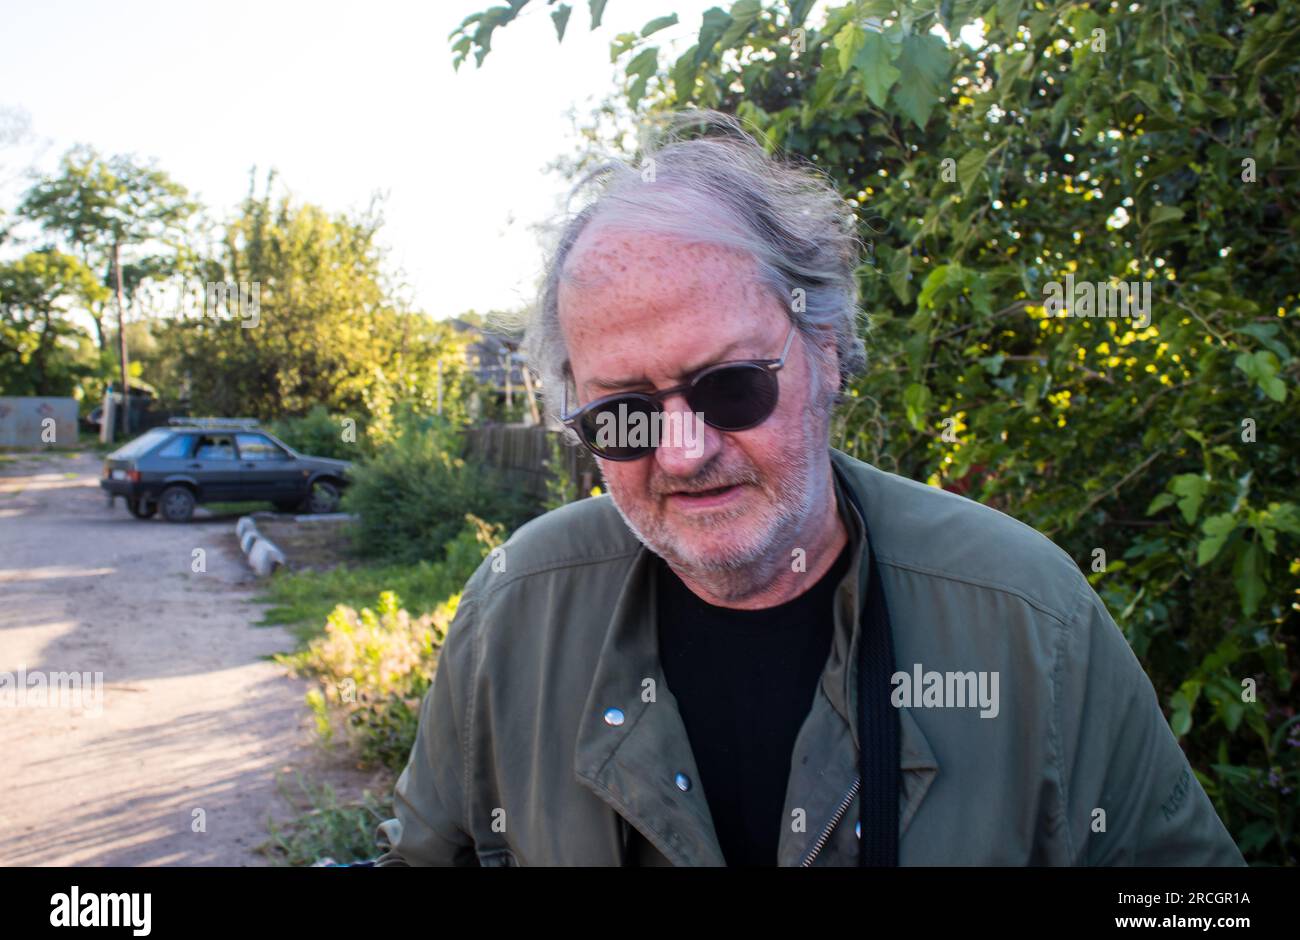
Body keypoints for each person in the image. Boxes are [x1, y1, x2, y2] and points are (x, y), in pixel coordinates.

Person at [374, 111, 1244, 866]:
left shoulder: (1026, 616)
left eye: (730, 387)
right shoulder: (515, 610)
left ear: (825, 351)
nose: (681, 454)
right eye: (623, 414)